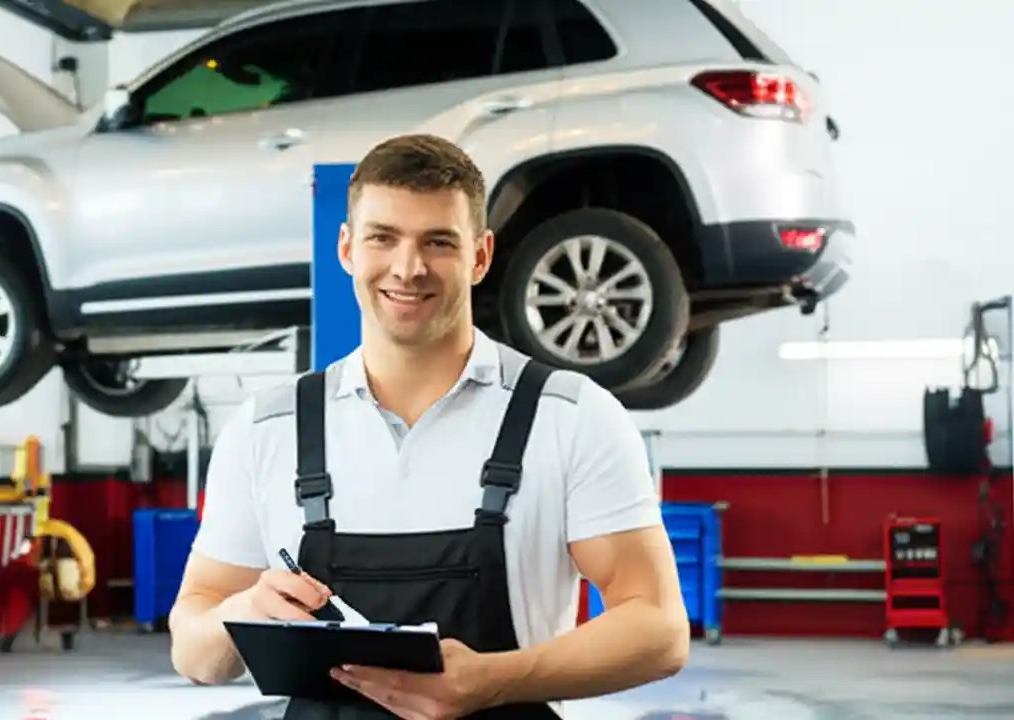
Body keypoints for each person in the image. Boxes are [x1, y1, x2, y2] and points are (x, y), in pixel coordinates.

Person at [168, 133, 689, 719]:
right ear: (346, 248)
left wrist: (494, 679)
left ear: (481, 255)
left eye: (438, 242)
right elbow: (193, 651)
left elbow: (658, 628)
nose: (408, 268)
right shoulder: (268, 428)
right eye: (382, 238)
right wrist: (245, 614)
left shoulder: (568, 417)